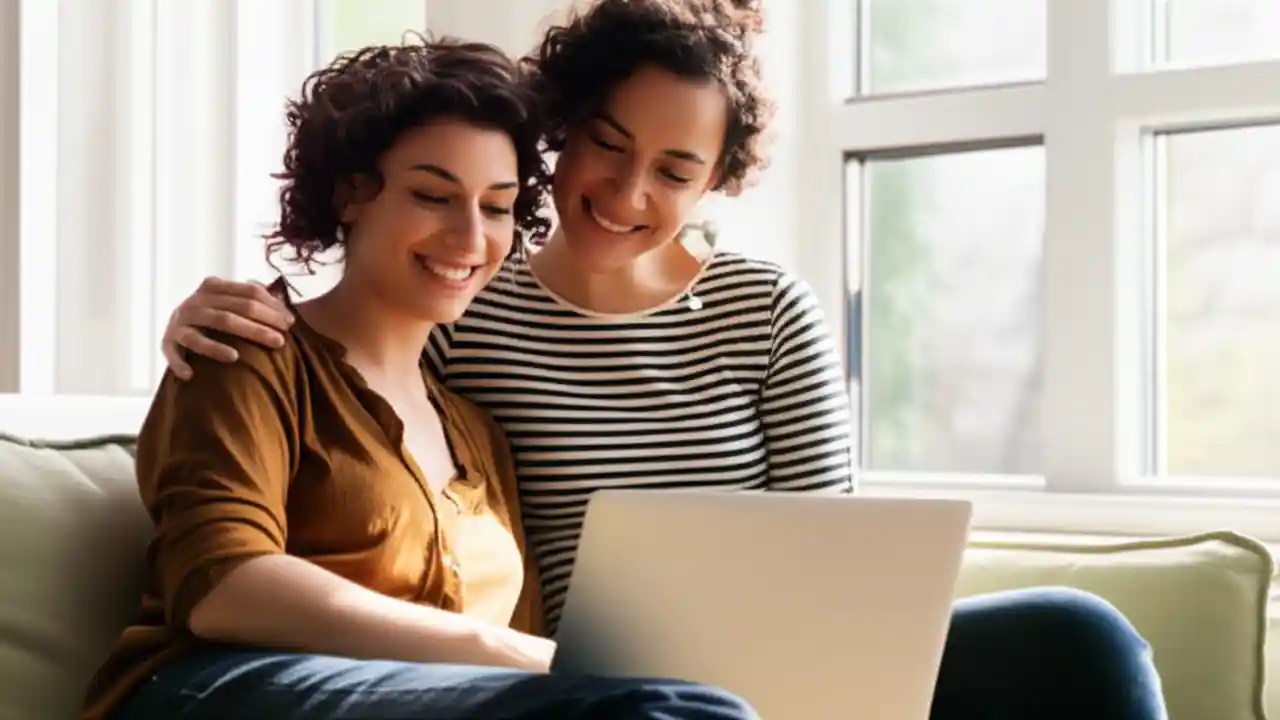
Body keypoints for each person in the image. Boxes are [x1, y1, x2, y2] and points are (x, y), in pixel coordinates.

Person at [155, 1, 1168, 718]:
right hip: (582, 674)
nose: (626, 190)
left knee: (1074, 636)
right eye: (605, 144)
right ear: (558, 137)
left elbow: (839, 560)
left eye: (673, 170)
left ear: (711, 183)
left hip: (764, 653)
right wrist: (205, 315)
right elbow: (347, 355)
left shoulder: (763, 309)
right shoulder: (467, 304)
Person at [81, 36, 757, 720]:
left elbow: (520, 658)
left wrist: (533, 664)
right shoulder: (251, 351)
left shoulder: (476, 430)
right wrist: (512, 655)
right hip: (220, 693)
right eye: (434, 195)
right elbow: (221, 586)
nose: (469, 239)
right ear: (351, 194)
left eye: (495, 206)